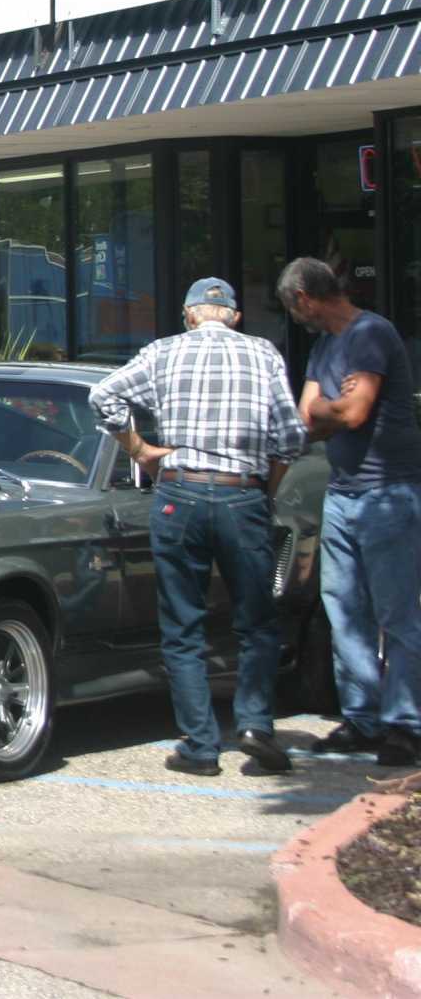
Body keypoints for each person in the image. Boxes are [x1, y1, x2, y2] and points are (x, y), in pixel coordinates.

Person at [89, 277, 307, 777]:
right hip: (241, 492)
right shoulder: (264, 355)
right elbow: (291, 436)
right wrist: (264, 488)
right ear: (233, 316)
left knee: (183, 625)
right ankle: (254, 726)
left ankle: (201, 746)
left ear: (189, 315)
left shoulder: (162, 352)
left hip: (179, 492)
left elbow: (104, 396)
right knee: (256, 620)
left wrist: (139, 449)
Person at [279, 257, 421, 767]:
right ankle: (362, 718)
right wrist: (327, 411)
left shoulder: (370, 334)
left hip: (389, 493)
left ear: (304, 299)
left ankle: (405, 725)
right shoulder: (324, 347)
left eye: (293, 309)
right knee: (344, 608)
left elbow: (352, 412)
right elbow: (307, 416)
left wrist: (328, 411)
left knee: (396, 612)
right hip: (342, 493)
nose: (296, 320)